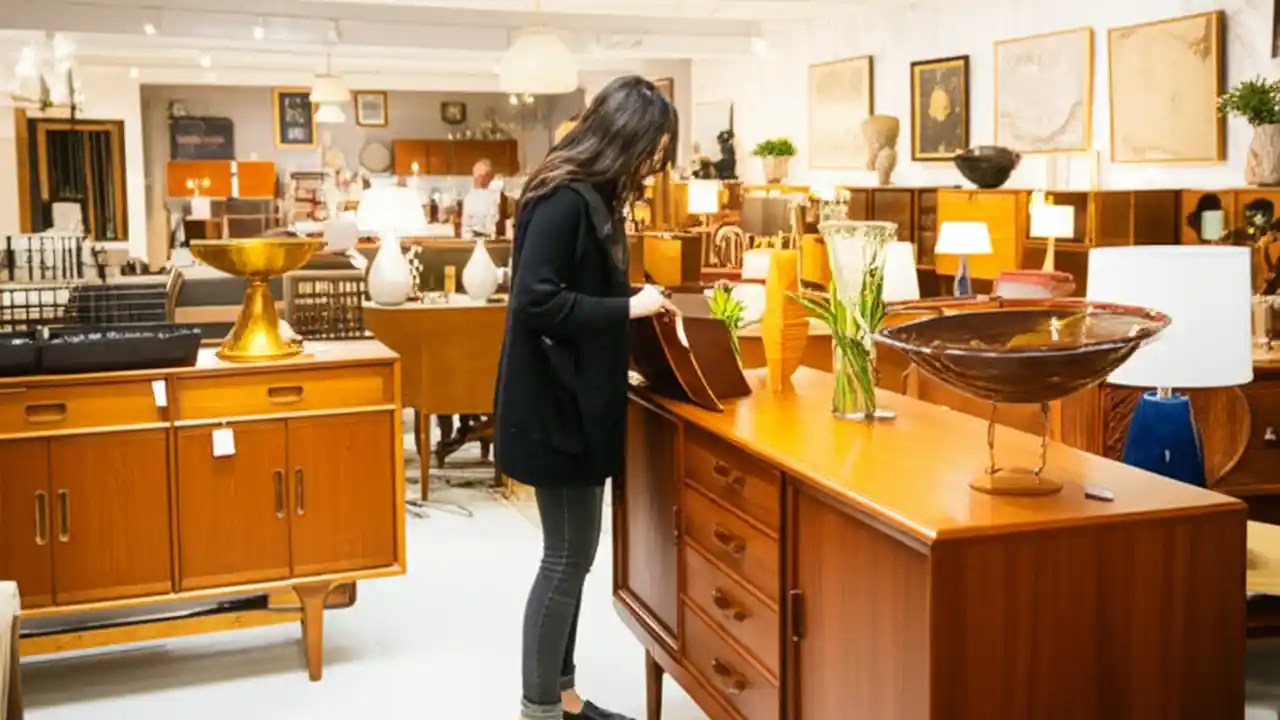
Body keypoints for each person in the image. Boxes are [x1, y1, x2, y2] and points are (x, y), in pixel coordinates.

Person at [494, 75, 679, 720]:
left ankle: (563, 696)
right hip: (556, 409)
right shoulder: (565, 199)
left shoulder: (588, 195)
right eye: (651, 149)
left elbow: (581, 286)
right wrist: (628, 307)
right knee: (566, 558)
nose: (653, 165)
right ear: (623, 138)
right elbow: (536, 300)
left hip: (573, 403)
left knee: (574, 557)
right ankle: (540, 708)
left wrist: (634, 301)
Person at [461, 158, 500, 237]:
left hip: (486, 237)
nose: (480, 179)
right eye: (479, 176)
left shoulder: (494, 197)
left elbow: (493, 223)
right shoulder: (469, 197)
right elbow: (466, 223)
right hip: (470, 237)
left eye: (485, 176)